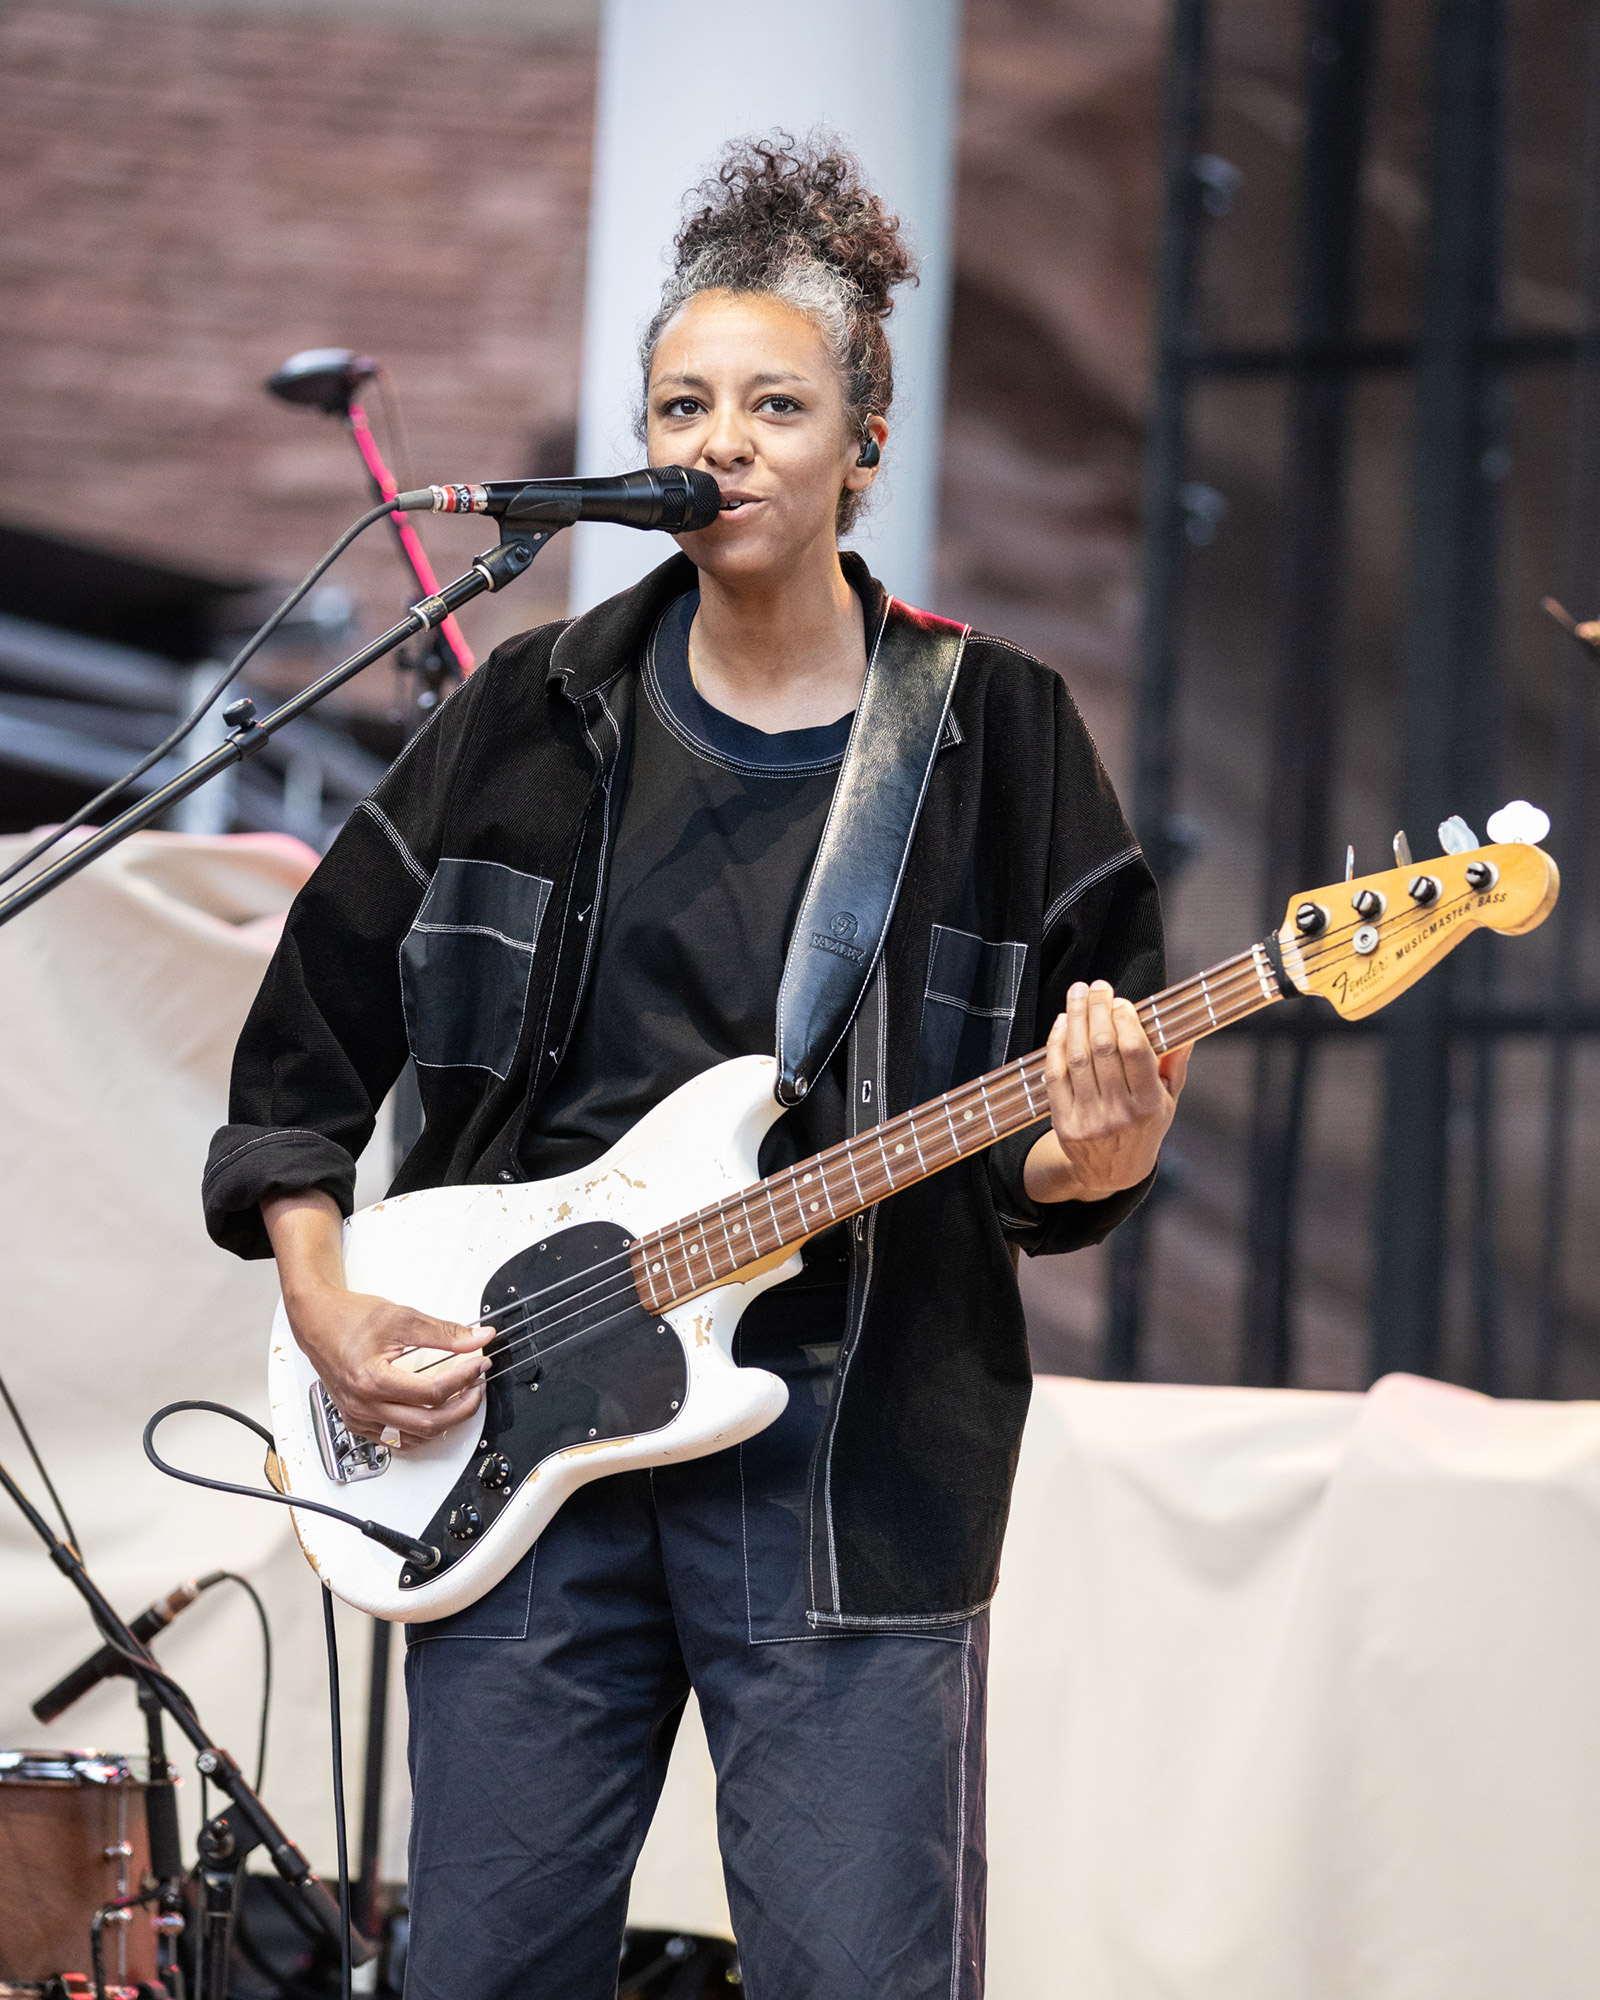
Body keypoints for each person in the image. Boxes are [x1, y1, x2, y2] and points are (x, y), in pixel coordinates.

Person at [203, 136, 1188, 2000]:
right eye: (683, 403)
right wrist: (325, 1297)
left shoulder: (997, 737)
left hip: (848, 1466)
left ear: (862, 445)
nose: (721, 438)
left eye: (776, 403)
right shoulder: (531, 709)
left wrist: (1104, 1144)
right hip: (506, 1439)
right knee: (481, 1972)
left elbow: (1064, 1161)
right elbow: (311, 1032)